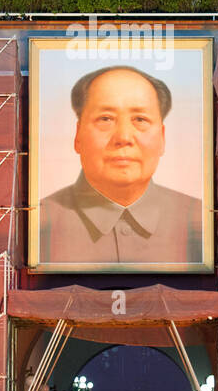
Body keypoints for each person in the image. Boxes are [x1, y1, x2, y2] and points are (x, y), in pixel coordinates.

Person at [38, 66, 203, 266]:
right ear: (78, 135)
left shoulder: (199, 220)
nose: (123, 137)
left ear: (162, 138)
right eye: (106, 119)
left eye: (140, 119)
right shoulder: (38, 223)